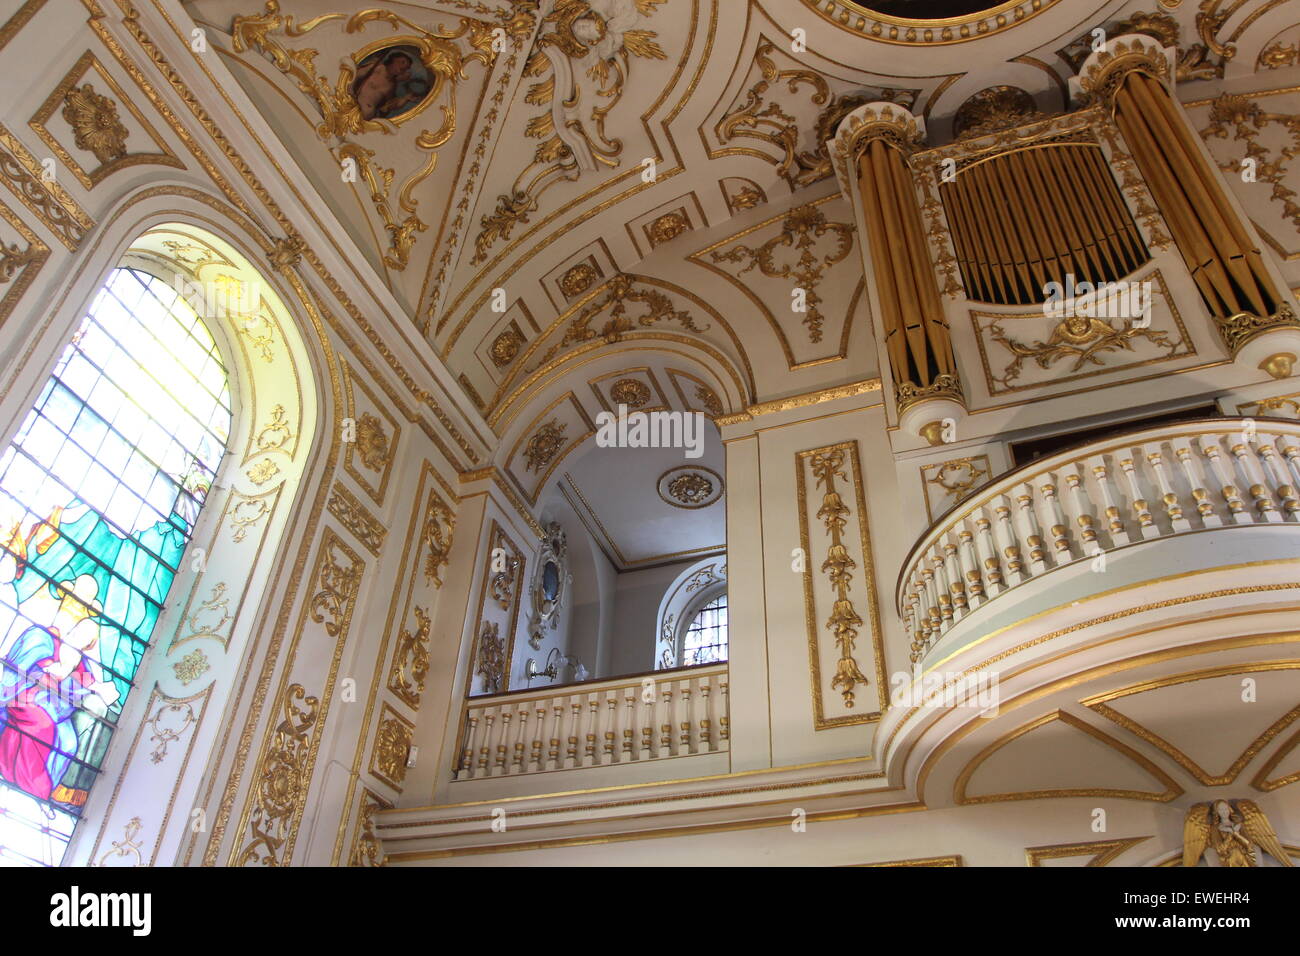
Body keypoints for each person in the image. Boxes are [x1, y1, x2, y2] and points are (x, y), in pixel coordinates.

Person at [352, 50, 416, 121]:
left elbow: (391, 105)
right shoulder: (377, 67)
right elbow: (354, 76)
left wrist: (406, 99)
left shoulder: (392, 85)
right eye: (402, 62)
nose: (404, 67)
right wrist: (349, 95)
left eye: (407, 67)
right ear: (393, 59)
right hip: (354, 106)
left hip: (367, 115)